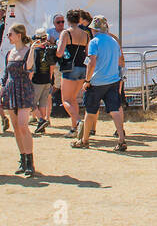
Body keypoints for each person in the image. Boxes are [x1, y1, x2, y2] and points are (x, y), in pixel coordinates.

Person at [71, 16, 127, 151]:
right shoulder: (114, 41)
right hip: (113, 80)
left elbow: (92, 62)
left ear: (93, 29)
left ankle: (84, 140)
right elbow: (120, 60)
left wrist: (87, 80)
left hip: (96, 82)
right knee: (115, 110)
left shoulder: (94, 42)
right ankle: (121, 139)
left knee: (90, 111)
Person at [0, 24, 39, 176]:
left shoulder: (28, 51)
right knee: (16, 127)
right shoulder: (9, 52)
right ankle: (22, 159)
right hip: (11, 90)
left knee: (23, 125)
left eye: (10, 34)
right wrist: (1, 91)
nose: (8, 37)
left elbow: (28, 67)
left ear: (19, 35)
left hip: (23, 89)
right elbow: (6, 75)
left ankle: (30, 162)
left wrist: (33, 48)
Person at [56, 8, 91, 136]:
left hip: (70, 68)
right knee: (74, 99)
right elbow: (88, 53)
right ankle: (74, 128)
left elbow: (59, 53)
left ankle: (77, 122)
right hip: (83, 68)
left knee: (65, 99)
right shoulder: (86, 34)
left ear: (68, 20)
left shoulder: (66, 33)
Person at [28, 31, 58, 133]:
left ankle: (41, 120)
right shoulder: (50, 50)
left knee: (31, 102)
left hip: (37, 80)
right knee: (42, 103)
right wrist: (49, 79)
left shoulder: (35, 51)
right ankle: (42, 125)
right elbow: (52, 66)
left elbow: (31, 67)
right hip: (47, 80)